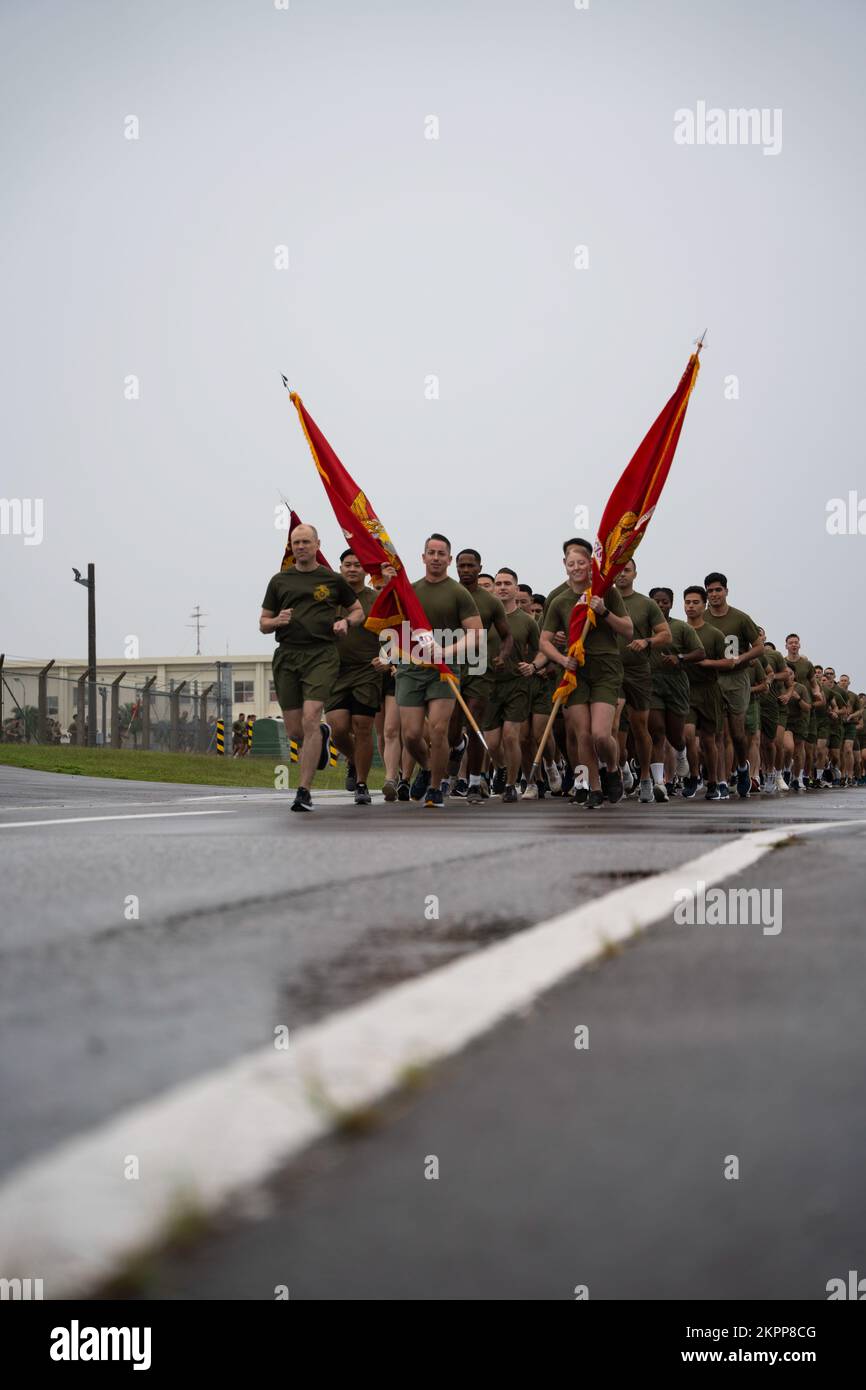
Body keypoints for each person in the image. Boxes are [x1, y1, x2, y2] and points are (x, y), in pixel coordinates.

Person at [260, 522, 365, 813]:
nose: (301, 547)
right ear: (291, 548)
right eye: (296, 543)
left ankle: (304, 791)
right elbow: (263, 624)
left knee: (309, 718)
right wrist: (276, 621)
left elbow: (358, 610)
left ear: (318, 545)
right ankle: (321, 736)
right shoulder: (279, 581)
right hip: (288, 656)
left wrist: (346, 622)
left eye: (306, 542)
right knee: (296, 730)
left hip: (321, 654)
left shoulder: (332, 579)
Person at [390, 534, 482, 809]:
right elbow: (395, 624)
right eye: (431, 552)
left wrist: (447, 652)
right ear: (423, 557)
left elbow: (476, 634)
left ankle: (434, 789)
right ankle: (430, 767)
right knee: (411, 734)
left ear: (449, 559)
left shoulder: (458, 593)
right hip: (411, 668)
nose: (436, 558)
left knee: (440, 731)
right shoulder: (411, 590)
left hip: (444, 669)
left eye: (441, 554)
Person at [539, 544, 632, 809]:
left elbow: (628, 631)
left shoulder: (606, 593)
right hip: (575, 671)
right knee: (583, 735)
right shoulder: (558, 601)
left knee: (601, 734)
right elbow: (544, 641)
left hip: (605, 668)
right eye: (572, 564)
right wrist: (560, 659)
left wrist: (603, 611)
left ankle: (612, 768)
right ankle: (594, 786)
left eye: (582, 563)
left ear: (590, 565)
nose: (577, 568)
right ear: (565, 565)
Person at [325, 549, 383, 806]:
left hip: (366, 670)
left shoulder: (376, 599)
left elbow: (394, 632)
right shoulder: (328, 597)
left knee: (362, 726)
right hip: (335, 671)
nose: (352, 569)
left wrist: (387, 659)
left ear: (365, 570)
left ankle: (362, 782)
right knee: (337, 729)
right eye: (347, 564)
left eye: (357, 565)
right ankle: (351, 759)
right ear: (340, 568)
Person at [613, 560, 671, 803]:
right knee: (610, 728)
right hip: (609, 670)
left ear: (635, 573)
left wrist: (647, 641)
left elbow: (665, 635)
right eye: (618, 570)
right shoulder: (602, 600)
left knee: (639, 727)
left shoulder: (646, 604)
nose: (622, 575)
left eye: (626, 570)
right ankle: (621, 770)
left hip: (638, 671)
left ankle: (646, 778)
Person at [703, 572, 764, 798]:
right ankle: (720, 780)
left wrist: (741, 658)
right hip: (713, 679)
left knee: (737, 734)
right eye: (710, 591)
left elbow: (759, 646)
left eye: (718, 590)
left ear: (726, 591)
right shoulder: (703, 618)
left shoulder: (740, 618)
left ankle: (742, 767)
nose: (714, 594)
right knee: (716, 733)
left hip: (737, 679)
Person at [483, 568, 539, 801]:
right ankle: (502, 767)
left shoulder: (527, 621)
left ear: (516, 588)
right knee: (493, 743)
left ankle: (510, 784)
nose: (503, 587)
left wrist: (533, 665)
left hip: (516, 684)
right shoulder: (484, 618)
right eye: (499, 583)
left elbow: (539, 651)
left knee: (510, 736)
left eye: (508, 583)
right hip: (488, 685)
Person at [647, 586, 704, 799]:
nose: (660, 605)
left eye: (664, 602)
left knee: (676, 735)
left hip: (676, 684)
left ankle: (682, 754)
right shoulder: (644, 626)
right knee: (657, 731)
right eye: (656, 601)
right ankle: (660, 782)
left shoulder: (681, 628)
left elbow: (700, 652)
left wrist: (680, 658)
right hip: (651, 684)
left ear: (671, 604)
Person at [682, 586, 734, 800]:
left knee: (708, 741)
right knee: (688, 736)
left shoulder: (715, 634)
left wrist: (707, 662)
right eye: (687, 602)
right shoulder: (679, 630)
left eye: (695, 602)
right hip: (686, 689)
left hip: (709, 691)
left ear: (704, 606)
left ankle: (712, 780)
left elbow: (730, 662)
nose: (691, 606)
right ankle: (693, 776)